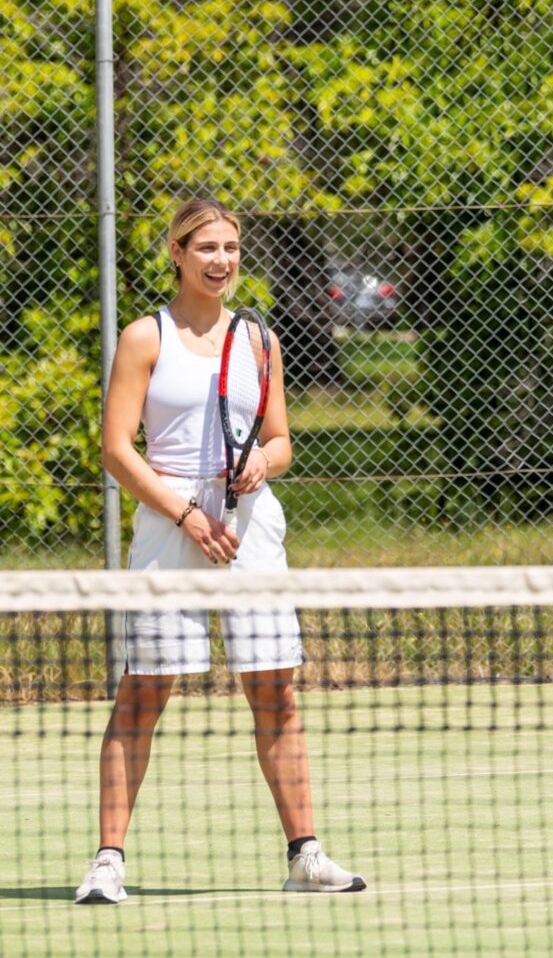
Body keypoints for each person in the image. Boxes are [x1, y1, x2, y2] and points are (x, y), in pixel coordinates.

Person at [74, 198, 366, 904]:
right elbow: (117, 449)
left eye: (230, 248)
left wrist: (264, 459)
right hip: (168, 527)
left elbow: (280, 439)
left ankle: (305, 856)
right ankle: (108, 862)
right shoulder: (145, 337)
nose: (221, 260)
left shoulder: (259, 339)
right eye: (206, 247)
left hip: (251, 531)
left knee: (275, 691)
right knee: (143, 693)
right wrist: (185, 514)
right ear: (177, 253)